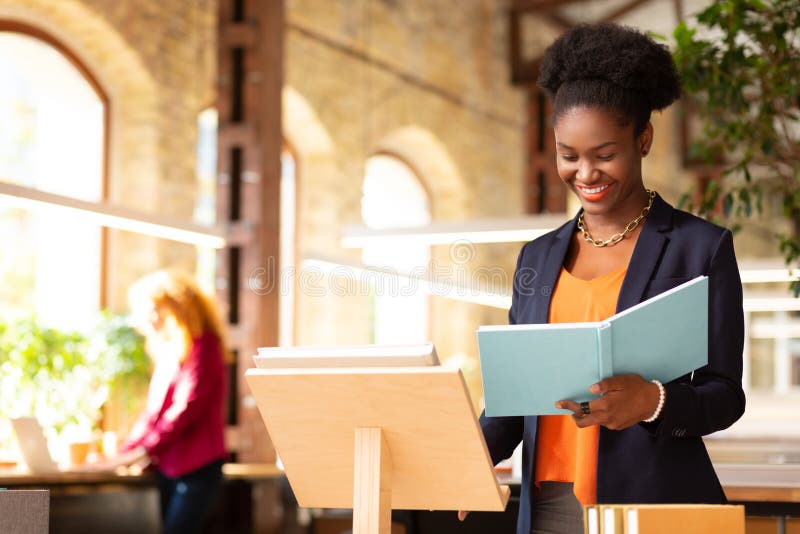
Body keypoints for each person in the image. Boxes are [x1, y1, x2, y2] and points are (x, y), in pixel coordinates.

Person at [469, 23, 745, 534]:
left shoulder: (699, 248)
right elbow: (515, 394)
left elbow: (724, 395)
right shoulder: (535, 258)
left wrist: (653, 401)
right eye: (568, 155)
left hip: (652, 502)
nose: (585, 174)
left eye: (604, 154)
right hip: (549, 506)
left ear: (643, 140)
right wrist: (472, 456)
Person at [95, 270, 228, 534]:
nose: (151, 318)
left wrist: (142, 451)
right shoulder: (168, 352)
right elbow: (153, 414)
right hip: (168, 467)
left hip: (197, 468)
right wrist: (124, 453)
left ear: (180, 308)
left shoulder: (204, 347)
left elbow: (186, 410)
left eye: (157, 309)